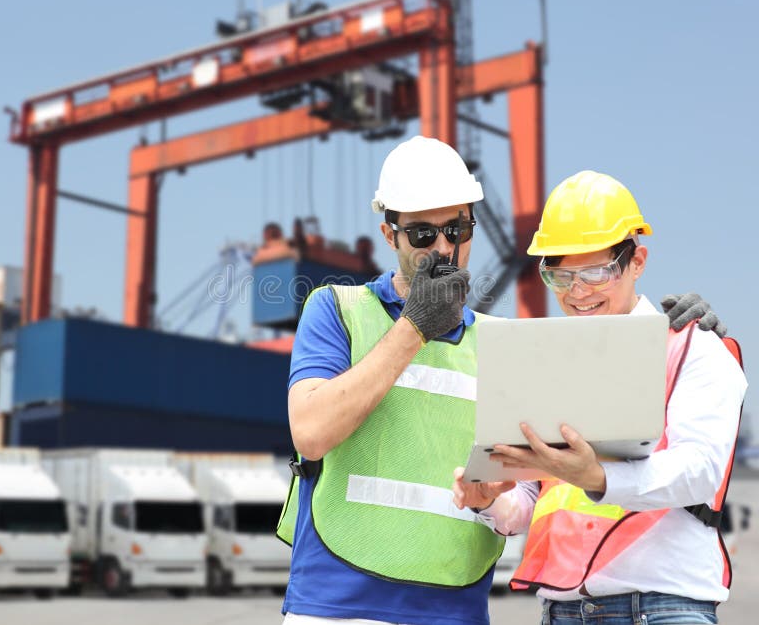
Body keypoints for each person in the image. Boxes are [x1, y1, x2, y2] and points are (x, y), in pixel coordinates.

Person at [278, 142, 725, 625]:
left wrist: (676, 342)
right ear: (390, 235)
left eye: (457, 228)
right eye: (423, 233)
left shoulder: (507, 343)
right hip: (339, 601)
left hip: (456, 606)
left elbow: (528, 486)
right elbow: (311, 433)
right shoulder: (337, 310)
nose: (444, 247)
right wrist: (414, 327)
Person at [453, 170, 747, 625]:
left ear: (638, 261)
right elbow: (531, 502)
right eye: (561, 276)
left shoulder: (692, 345)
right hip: (564, 611)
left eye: (596, 272)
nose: (577, 292)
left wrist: (599, 476)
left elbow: (700, 472)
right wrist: (489, 499)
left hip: (661, 606)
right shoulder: (542, 363)